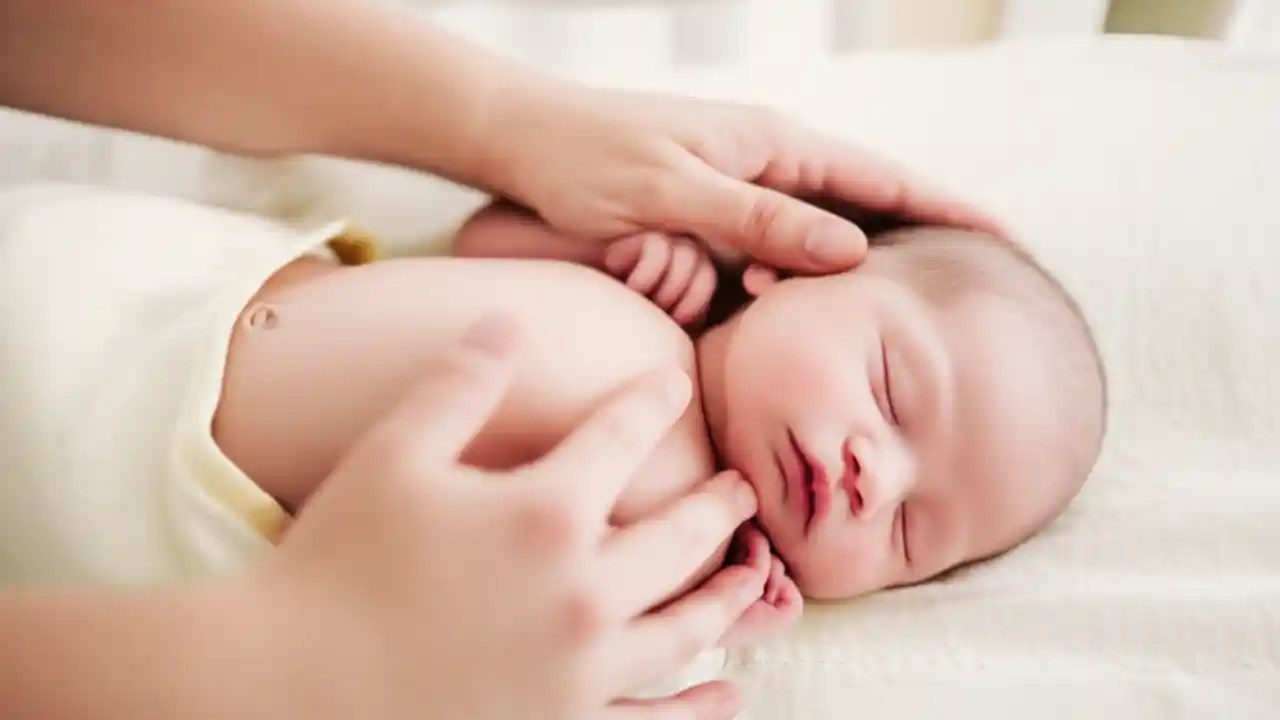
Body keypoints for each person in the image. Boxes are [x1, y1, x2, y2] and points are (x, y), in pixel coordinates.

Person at [0, 1, 1004, 717]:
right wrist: (595, 242)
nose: (877, 476)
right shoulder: (644, 286)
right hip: (122, 286)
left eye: (911, 532)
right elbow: (473, 245)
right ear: (788, 275)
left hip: (89, 538)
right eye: (889, 389)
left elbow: (533, 664)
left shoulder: (685, 569)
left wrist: (722, 608)